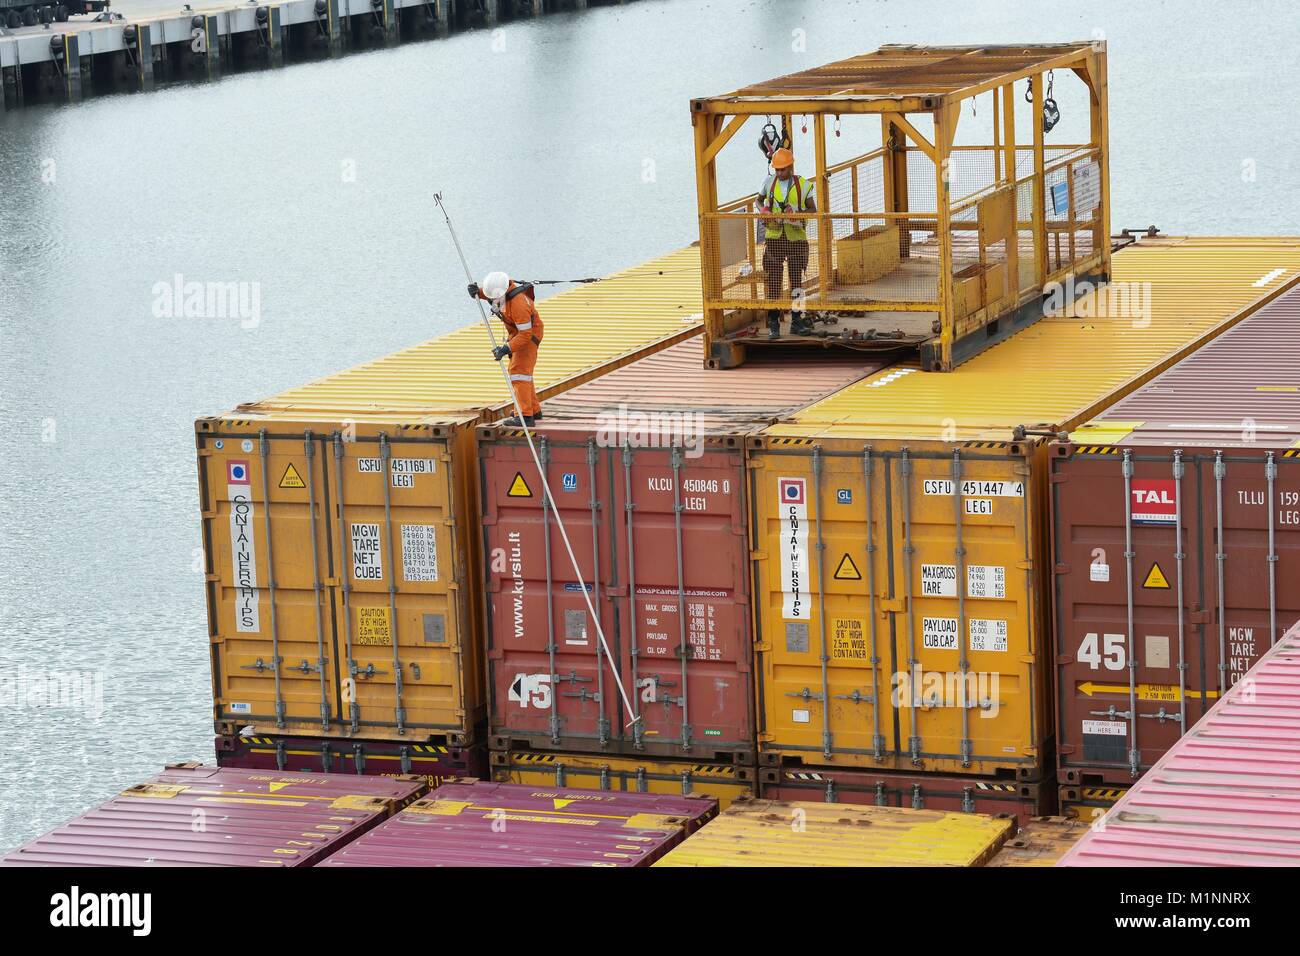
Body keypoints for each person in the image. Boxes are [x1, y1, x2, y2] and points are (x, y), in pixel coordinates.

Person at [468, 271, 544, 427]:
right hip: (519, 334)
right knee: (523, 375)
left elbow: (525, 335)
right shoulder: (502, 291)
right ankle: (533, 410)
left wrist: (506, 348)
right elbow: (492, 293)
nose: (492, 300)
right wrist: (478, 292)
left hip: (528, 337)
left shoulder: (519, 305)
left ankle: (524, 416)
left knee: (519, 374)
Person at [758, 147, 816, 338]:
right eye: (777, 170)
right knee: (774, 281)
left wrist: (797, 212)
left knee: (796, 281)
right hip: (775, 237)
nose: (779, 173)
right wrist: (763, 210)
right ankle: (773, 322)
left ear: (790, 167)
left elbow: (812, 210)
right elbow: (758, 201)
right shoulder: (769, 183)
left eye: (782, 170)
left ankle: (797, 321)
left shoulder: (803, 185)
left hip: (796, 237)